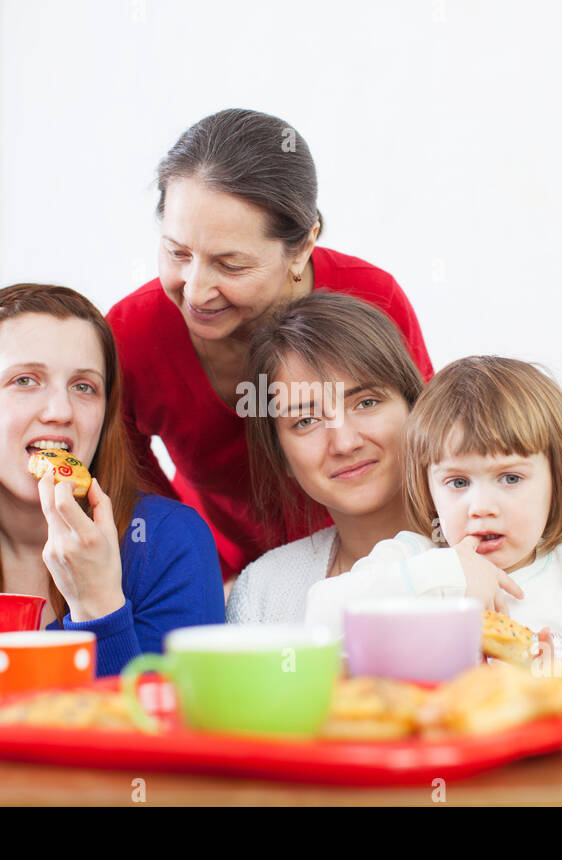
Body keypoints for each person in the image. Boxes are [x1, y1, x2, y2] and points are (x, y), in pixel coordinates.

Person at [106, 109, 434, 580]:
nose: (195, 292)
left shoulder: (373, 298)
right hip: (226, 580)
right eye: (177, 253)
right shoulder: (131, 334)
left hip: (379, 565)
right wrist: (196, 580)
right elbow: (129, 486)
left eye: (231, 265)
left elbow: (432, 442)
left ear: (301, 248)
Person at [0, 284, 225, 705]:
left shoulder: (169, 545)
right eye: (25, 380)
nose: (60, 411)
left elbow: (169, 752)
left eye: (84, 386)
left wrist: (99, 606)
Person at [304, 356, 562, 697]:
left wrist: (557, 682)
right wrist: (445, 573)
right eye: (457, 483)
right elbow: (320, 618)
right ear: (428, 488)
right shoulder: (415, 557)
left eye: (510, 478)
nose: (481, 508)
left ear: (556, 481)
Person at [226, 292, 430, 623]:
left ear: (414, 409)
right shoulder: (261, 591)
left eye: (366, 403)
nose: (345, 443)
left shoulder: (499, 546)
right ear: (282, 456)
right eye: (305, 421)